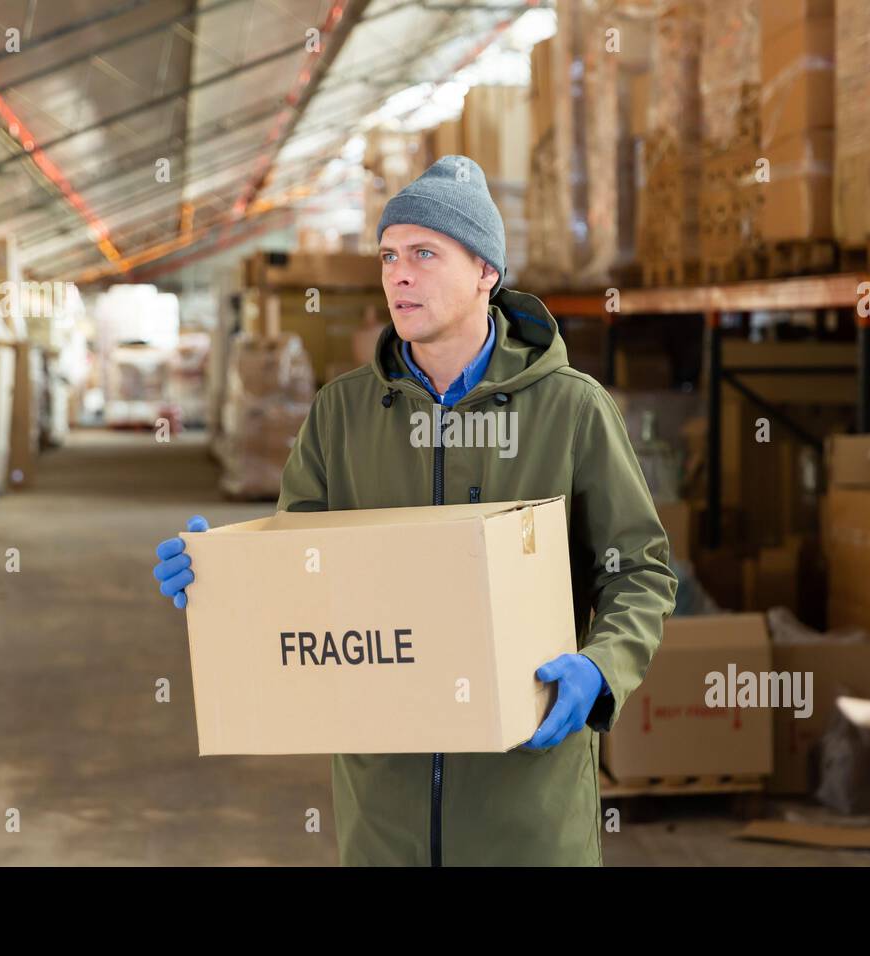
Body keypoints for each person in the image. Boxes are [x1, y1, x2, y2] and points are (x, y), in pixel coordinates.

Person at [153, 155, 678, 865]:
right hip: (383, 812)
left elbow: (639, 572)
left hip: (524, 813)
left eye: (425, 253)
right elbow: (298, 580)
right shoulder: (341, 416)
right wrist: (224, 579)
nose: (399, 274)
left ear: (486, 271)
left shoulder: (571, 410)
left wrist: (599, 669)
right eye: (389, 255)